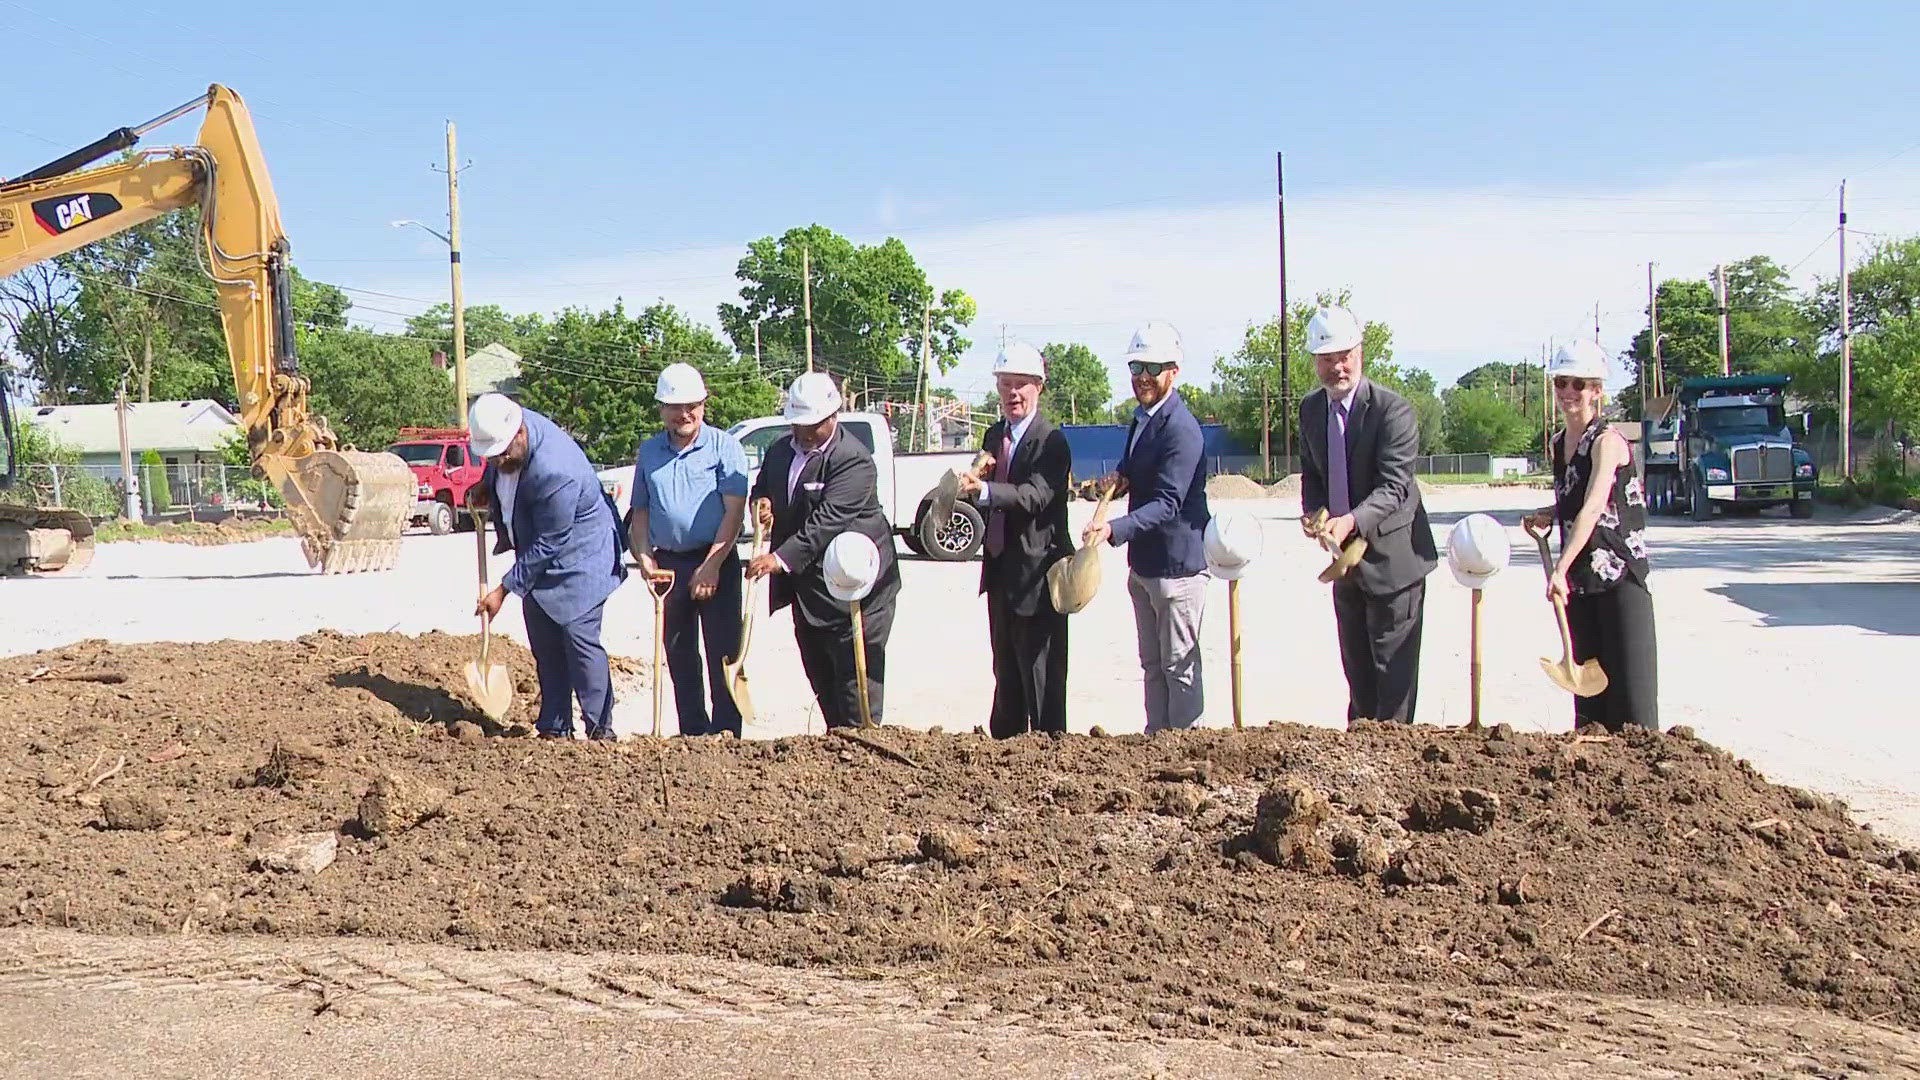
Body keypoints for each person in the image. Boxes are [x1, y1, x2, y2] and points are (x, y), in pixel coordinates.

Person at [1297, 306, 1437, 725]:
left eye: (1345, 355)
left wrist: (1351, 521)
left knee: (1392, 690)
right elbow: (1313, 474)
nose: (1337, 366)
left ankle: (1394, 771)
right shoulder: (1310, 410)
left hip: (1394, 563)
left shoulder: (1392, 411)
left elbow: (1394, 487)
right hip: (1346, 564)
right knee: (1359, 683)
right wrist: (1314, 513)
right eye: (1327, 358)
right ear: (1315, 361)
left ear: (1360, 352)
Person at [745, 371, 901, 728]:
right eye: (797, 424)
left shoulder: (854, 460)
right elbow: (763, 487)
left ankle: (865, 757)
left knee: (854, 688)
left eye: (810, 425)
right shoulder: (781, 450)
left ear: (833, 416)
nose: (802, 432)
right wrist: (762, 503)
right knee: (822, 681)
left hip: (857, 591)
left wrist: (778, 559)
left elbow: (827, 522)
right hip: (808, 591)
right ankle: (837, 753)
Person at [469, 393, 629, 740]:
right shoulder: (507, 430)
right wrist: (487, 485)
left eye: (502, 455)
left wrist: (504, 589)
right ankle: (555, 728)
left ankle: (601, 731)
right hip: (539, 555)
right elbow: (500, 466)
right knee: (544, 641)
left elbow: (550, 542)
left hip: (581, 558)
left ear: (520, 434)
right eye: (491, 458)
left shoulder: (556, 470)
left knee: (578, 641)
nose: (498, 463)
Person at [1081, 322, 1211, 733]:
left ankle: (1187, 748)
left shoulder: (1182, 429)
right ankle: (1156, 744)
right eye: (1136, 367)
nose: (1142, 377)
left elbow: (1169, 502)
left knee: (1180, 667)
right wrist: (1118, 480)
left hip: (1178, 570)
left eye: (1152, 368)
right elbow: (1138, 473)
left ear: (1174, 371)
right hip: (1146, 566)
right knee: (1153, 665)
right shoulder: (1142, 419)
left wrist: (1112, 530)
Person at [1525, 339, 1658, 732]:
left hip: (1620, 579)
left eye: (1579, 384)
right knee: (1591, 712)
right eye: (1562, 382)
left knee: (1633, 706)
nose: (1569, 392)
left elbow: (1594, 507)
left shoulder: (1608, 442)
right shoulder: (1558, 445)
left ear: (1597, 391)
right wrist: (1549, 514)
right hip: (1582, 585)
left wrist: (1558, 568)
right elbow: (1574, 502)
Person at [955, 342, 1074, 738]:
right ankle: (1004, 753)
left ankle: (1049, 753)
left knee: (1041, 677)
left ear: (1039, 386)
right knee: (1005, 673)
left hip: (1038, 577)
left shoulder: (1051, 442)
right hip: (1001, 571)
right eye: (1006, 384)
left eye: (1021, 384)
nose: (1012, 394)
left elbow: (1035, 496)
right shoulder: (995, 435)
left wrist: (986, 493)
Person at [628, 362, 749, 737]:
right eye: (676, 406)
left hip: (717, 560)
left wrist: (713, 565)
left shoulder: (724, 447)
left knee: (724, 655)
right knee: (680, 658)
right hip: (670, 567)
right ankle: (694, 735)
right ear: (661, 409)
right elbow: (641, 514)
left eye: (693, 405)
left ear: (704, 404)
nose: (686, 414)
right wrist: (645, 558)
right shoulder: (650, 453)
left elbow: (734, 512)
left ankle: (727, 735)